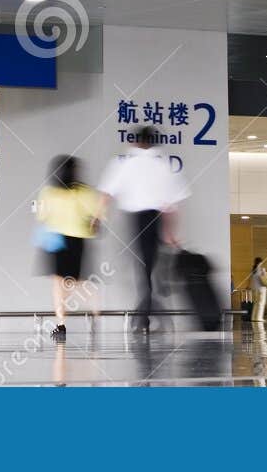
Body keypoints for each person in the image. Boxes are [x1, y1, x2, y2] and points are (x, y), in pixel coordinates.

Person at [98, 126, 188, 334]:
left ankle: (146, 309)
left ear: (137, 142)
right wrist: (170, 233)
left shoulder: (125, 163)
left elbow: (107, 193)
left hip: (136, 219)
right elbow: (172, 206)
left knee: (143, 265)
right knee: (149, 262)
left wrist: (98, 217)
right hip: (156, 218)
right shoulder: (164, 165)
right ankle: (150, 301)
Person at [36, 155, 102, 341]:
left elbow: (42, 217)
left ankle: (61, 324)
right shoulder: (86, 192)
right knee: (79, 280)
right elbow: (95, 219)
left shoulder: (49, 192)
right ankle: (96, 310)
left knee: (58, 285)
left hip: (56, 240)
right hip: (78, 240)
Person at [246, 256, 267, 324]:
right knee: (261, 303)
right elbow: (265, 279)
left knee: (255, 303)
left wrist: (248, 286)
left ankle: (254, 317)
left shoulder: (253, 270)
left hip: (254, 289)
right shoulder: (261, 269)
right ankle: (259, 317)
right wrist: (265, 273)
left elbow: (250, 279)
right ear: (261, 262)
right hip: (261, 289)